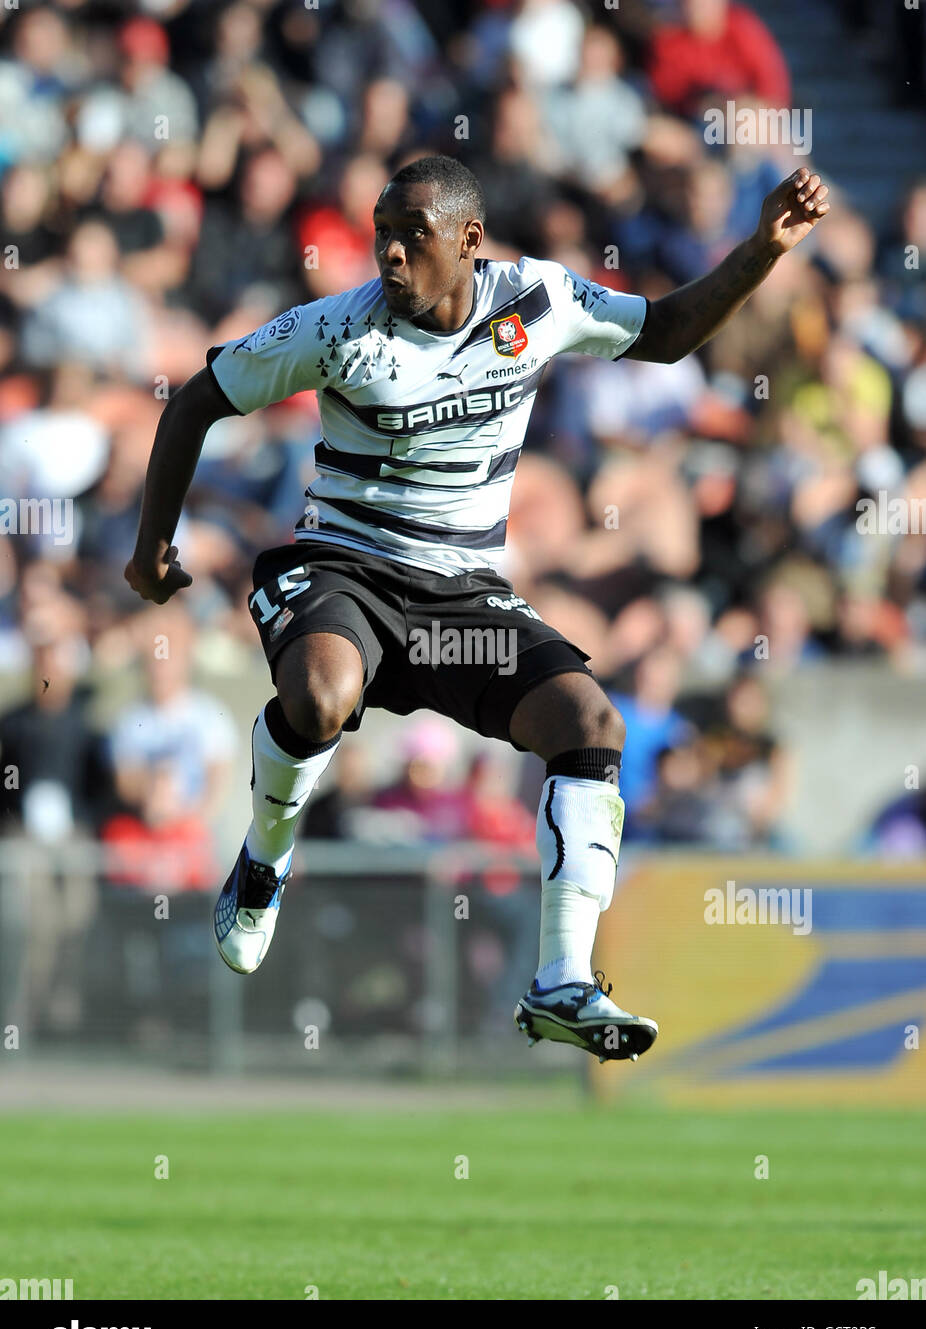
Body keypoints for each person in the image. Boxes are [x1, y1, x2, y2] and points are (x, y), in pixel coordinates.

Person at [125, 154, 830, 1063]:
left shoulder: (538, 302)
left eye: (410, 235)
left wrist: (763, 249)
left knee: (590, 724)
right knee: (322, 695)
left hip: (460, 601)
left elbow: (663, 333)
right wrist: (151, 550)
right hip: (346, 570)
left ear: (468, 240)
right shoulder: (338, 329)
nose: (389, 252)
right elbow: (195, 402)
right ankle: (265, 861)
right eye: (381, 232)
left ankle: (562, 979)